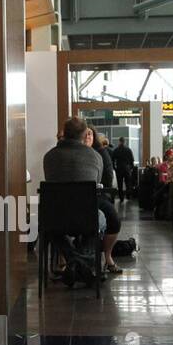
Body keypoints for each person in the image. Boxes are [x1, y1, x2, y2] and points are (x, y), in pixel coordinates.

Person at [42, 116, 123, 275]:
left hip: (56, 218)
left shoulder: (49, 157)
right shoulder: (95, 157)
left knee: (50, 224)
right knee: (99, 218)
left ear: (64, 133)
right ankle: (80, 262)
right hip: (86, 217)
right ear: (85, 134)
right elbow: (96, 185)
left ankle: (72, 260)